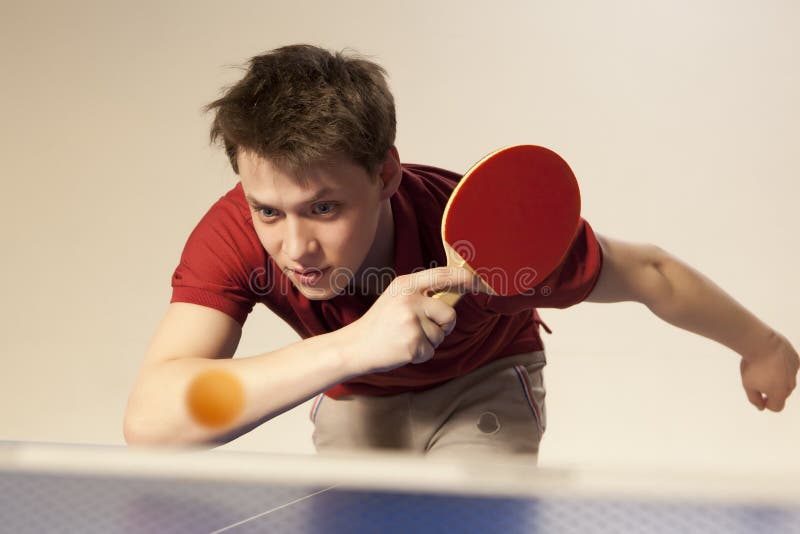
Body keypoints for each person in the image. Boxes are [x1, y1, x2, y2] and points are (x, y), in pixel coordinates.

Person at [123, 44, 798, 458]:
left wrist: (763, 345)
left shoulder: (487, 236)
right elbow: (153, 419)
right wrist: (357, 346)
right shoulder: (235, 236)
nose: (294, 245)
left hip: (485, 382)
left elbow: (650, 273)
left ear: (386, 176)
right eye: (269, 210)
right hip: (358, 393)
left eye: (324, 208)